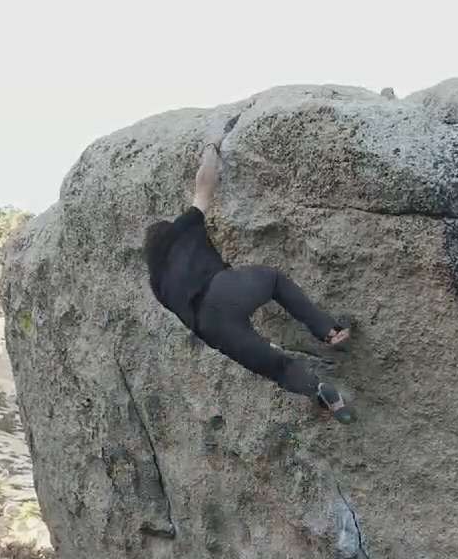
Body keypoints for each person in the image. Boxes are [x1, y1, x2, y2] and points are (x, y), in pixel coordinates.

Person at [144, 147, 356, 423]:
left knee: (277, 368)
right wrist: (211, 150)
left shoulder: (156, 284)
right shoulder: (181, 229)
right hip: (222, 288)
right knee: (274, 281)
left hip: (212, 328)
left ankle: (320, 392)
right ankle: (328, 330)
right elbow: (204, 186)